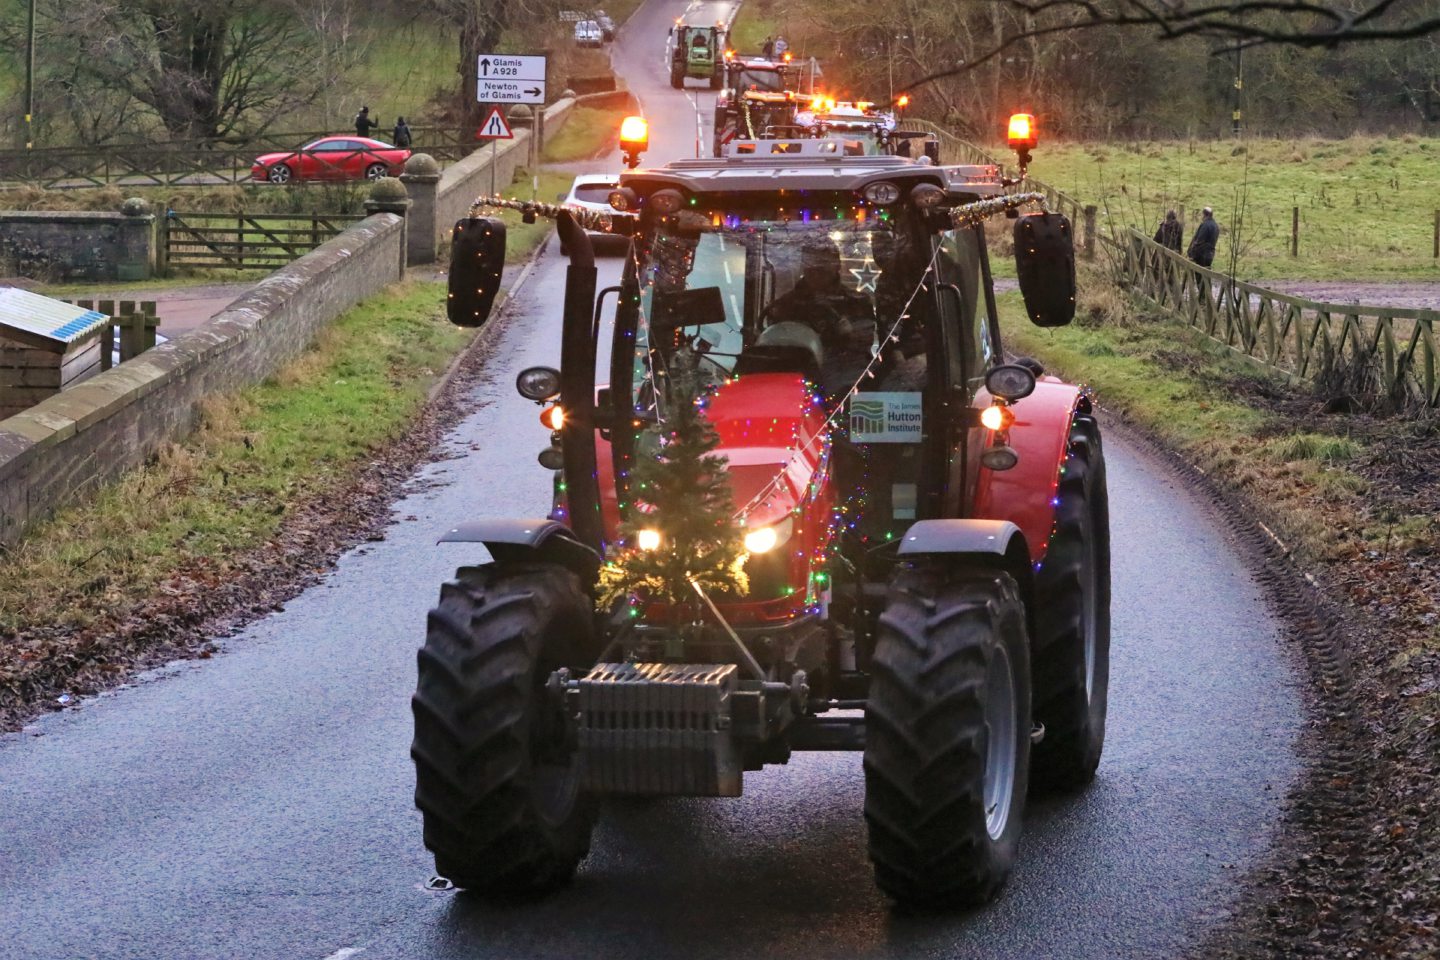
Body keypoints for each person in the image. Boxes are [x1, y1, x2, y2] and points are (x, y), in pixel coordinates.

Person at [766, 236, 876, 394]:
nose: (817, 270)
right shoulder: (785, 305)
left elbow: (863, 345)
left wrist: (847, 334)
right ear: (803, 266)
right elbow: (774, 347)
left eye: (823, 263)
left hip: (845, 384)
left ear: (837, 264)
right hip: (792, 384)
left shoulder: (857, 303)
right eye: (811, 263)